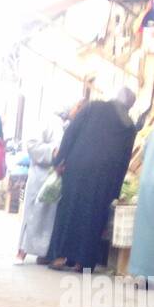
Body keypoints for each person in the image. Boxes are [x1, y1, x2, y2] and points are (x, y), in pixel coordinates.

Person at [46, 86, 137, 271]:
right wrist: (116, 189)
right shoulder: (129, 126)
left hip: (78, 167)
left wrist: (58, 160)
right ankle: (83, 262)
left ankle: (60, 257)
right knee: (93, 216)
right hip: (105, 178)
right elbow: (124, 160)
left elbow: (71, 133)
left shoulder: (93, 107)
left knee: (69, 210)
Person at [15, 108, 69, 263]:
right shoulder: (47, 121)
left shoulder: (71, 125)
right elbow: (32, 145)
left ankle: (44, 253)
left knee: (51, 218)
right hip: (41, 174)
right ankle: (22, 251)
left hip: (59, 176)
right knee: (34, 213)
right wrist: (54, 153)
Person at [128, 113, 154, 282]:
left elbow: (144, 154)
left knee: (145, 230)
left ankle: (141, 273)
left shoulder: (152, 134)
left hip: (147, 184)